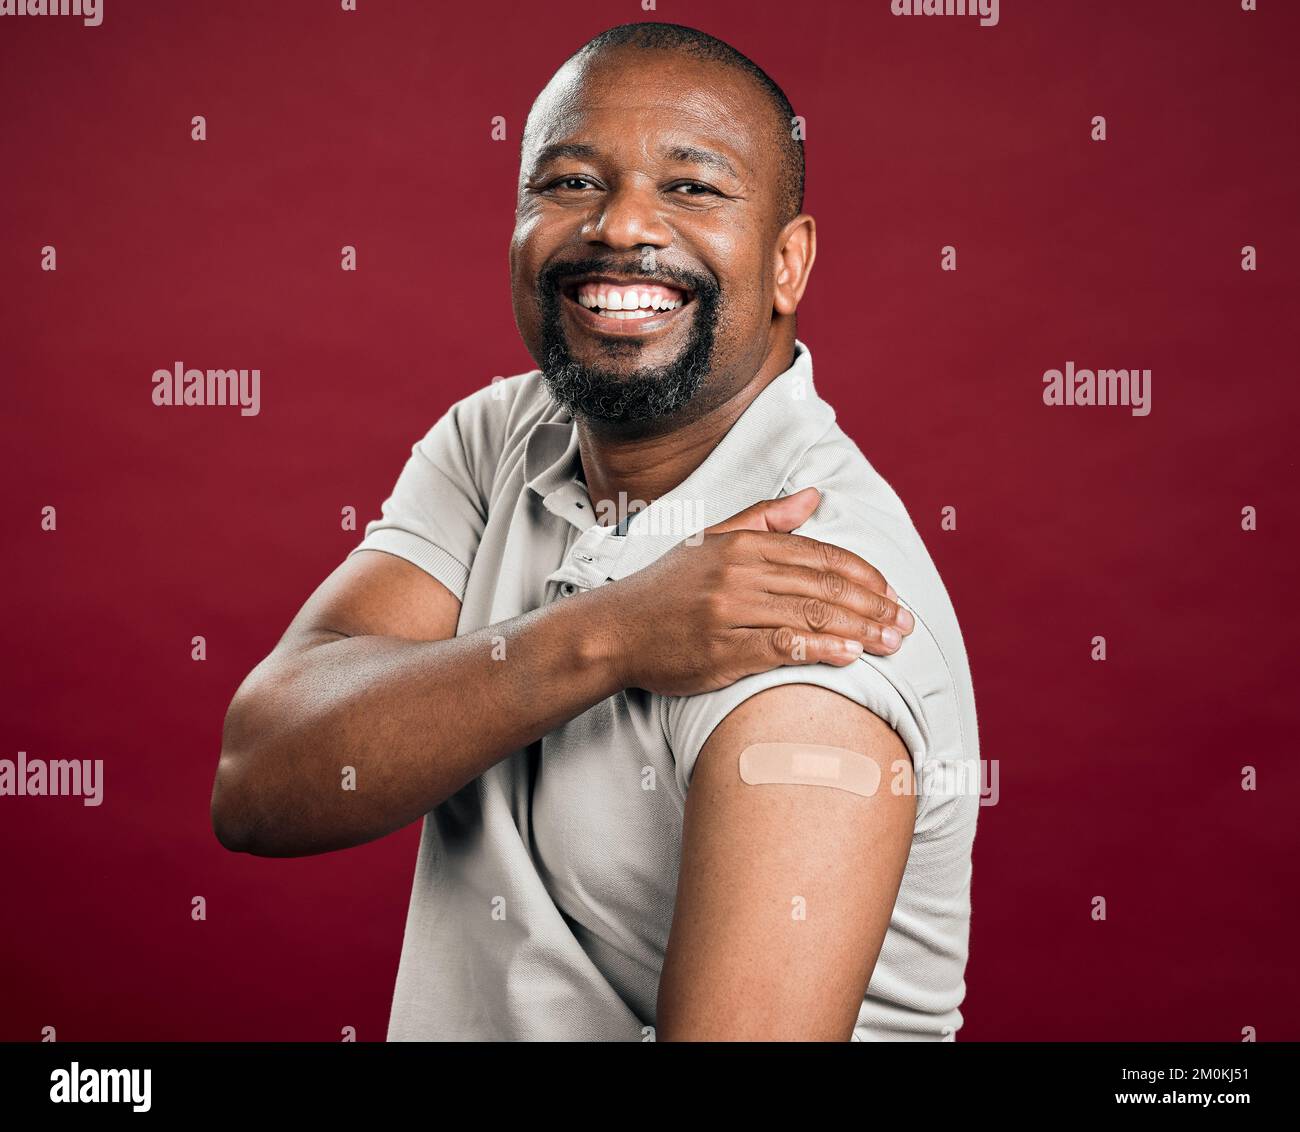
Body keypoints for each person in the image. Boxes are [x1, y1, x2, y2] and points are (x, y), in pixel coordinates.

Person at [211, 21, 980, 1042]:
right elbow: (260, 781)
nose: (619, 227)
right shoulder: (501, 435)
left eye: (691, 187)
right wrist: (609, 635)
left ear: (787, 262)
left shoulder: (811, 622)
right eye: (570, 182)